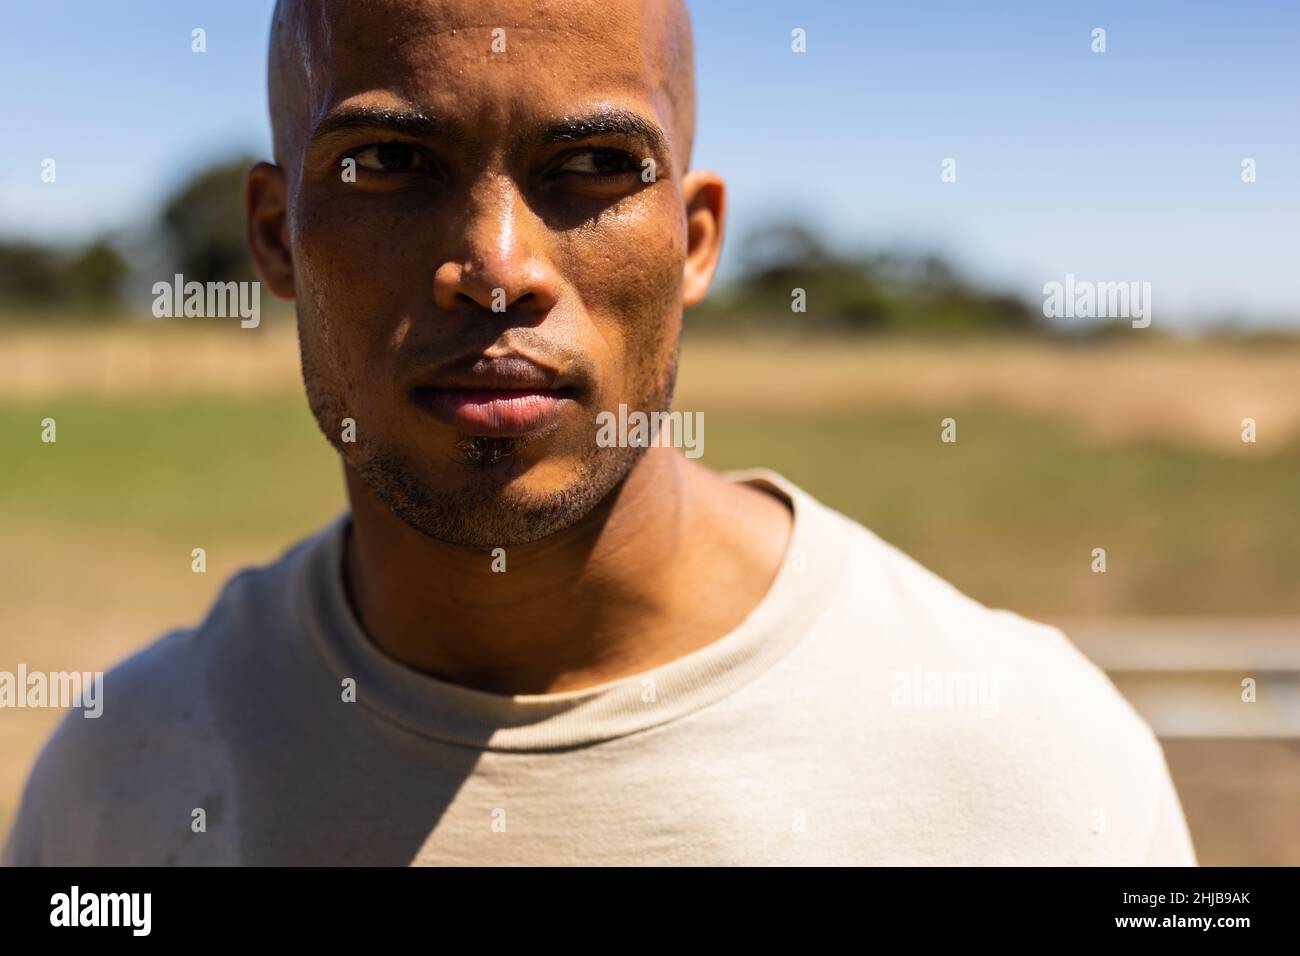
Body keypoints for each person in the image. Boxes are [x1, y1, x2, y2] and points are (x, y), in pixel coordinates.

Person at [2, 0, 1195, 865]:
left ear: (693, 239)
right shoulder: (129, 779)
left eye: (590, 166)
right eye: (389, 162)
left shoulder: (1032, 765)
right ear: (274, 233)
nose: (496, 269)